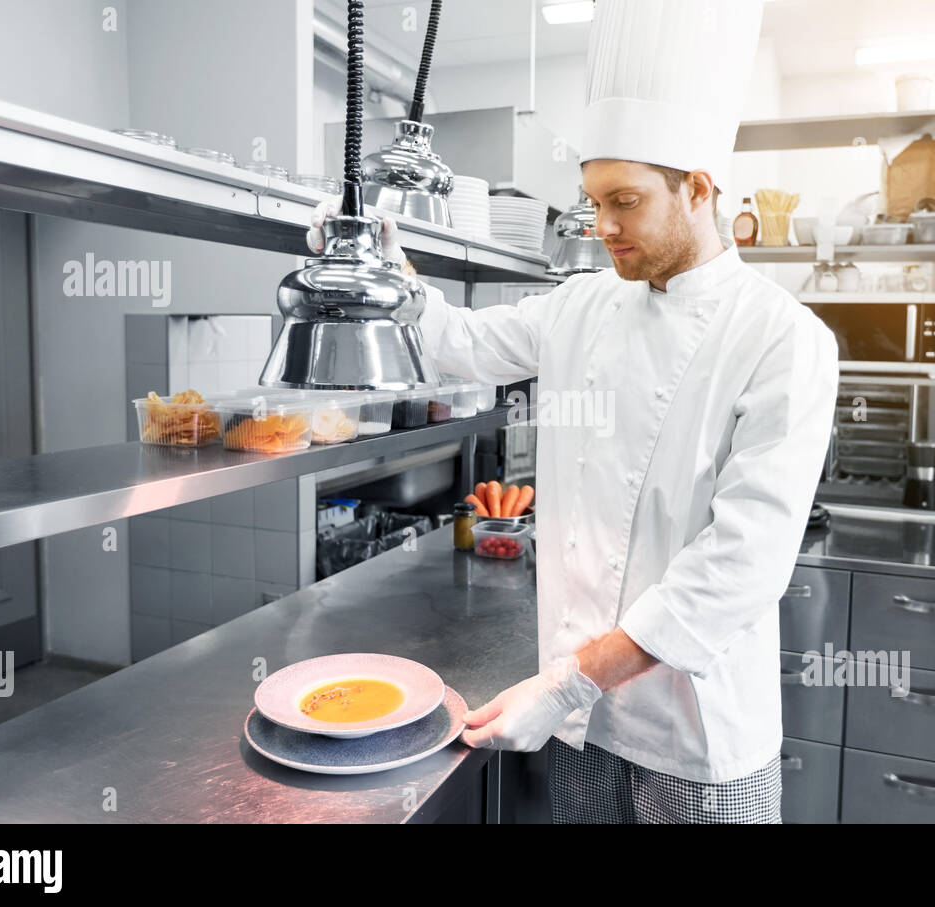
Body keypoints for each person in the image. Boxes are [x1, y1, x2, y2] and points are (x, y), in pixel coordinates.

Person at [306, 0, 837, 823]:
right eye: (593, 200)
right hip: (584, 726)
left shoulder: (783, 338)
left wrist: (564, 686)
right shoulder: (583, 303)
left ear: (698, 188)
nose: (603, 226)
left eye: (625, 201)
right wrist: (384, 267)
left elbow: (739, 567)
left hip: (697, 738)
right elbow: (459, 340)